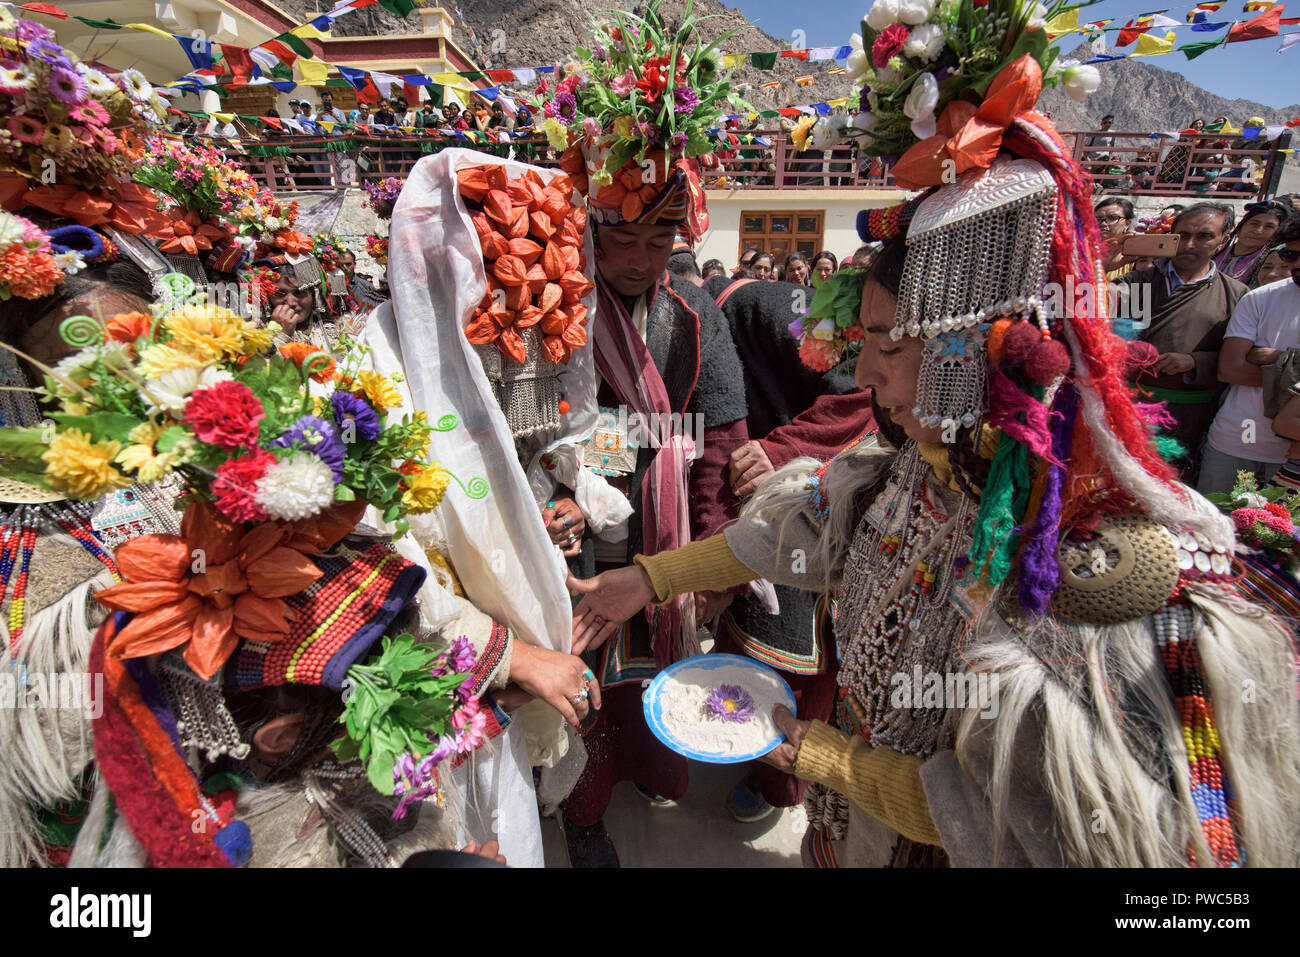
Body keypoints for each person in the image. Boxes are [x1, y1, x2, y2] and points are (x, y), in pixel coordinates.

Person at [569, 76, 1300, 871]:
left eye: (886, 343)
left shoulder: (1079, 562)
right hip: (852, 829)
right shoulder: (909, 471)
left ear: (967, 352)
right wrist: (645, 579)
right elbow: (780, 534)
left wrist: (808, 752)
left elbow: (1000, 806)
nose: (866, 375)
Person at [544, 11, 752, 866]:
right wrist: (564, 491)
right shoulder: (558, 311)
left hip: (664, 531)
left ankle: (655, 777)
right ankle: (585, 814)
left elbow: (719, 438)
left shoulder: (696, 311)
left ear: (680, 237)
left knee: (652, 671)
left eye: (657, 236)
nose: (638, 255)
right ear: (590, 233)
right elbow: (538, 433)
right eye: (620, 236)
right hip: (585, 527)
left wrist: (709, 549)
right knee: (587, 674)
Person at [1111, 203, 1247, 482]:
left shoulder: (1236, 294)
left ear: (1224, 238)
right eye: (1182, 235)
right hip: (1128, 408)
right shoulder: (1139, 282)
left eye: (1205, 236)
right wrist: (1104, 265)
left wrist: (1196, 361)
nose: (1190, 244)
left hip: (1189, 416)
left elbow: (1243, 358)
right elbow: (1070, 310)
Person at [1198, 217, 1300, 493]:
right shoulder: (1260, 298)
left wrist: (1275, 358)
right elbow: (1230, 370)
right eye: (1291, 255)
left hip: (1294, 454)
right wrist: (1292, 368)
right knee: (1216, 531)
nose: (1296, 265)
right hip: (1239, 439)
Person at [1212, 200, 1287, 283]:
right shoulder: (1214, 251)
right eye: (1254, 224)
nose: (1258, 231)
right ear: (1240, 226)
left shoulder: (1267, 263)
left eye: (1269, 227)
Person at [1094, 197, 1136, 280]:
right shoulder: (1084, 252)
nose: (1103, 223)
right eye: (1097, 219)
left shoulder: (1135, 253)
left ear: (1127, 223)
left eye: (1112, 218)